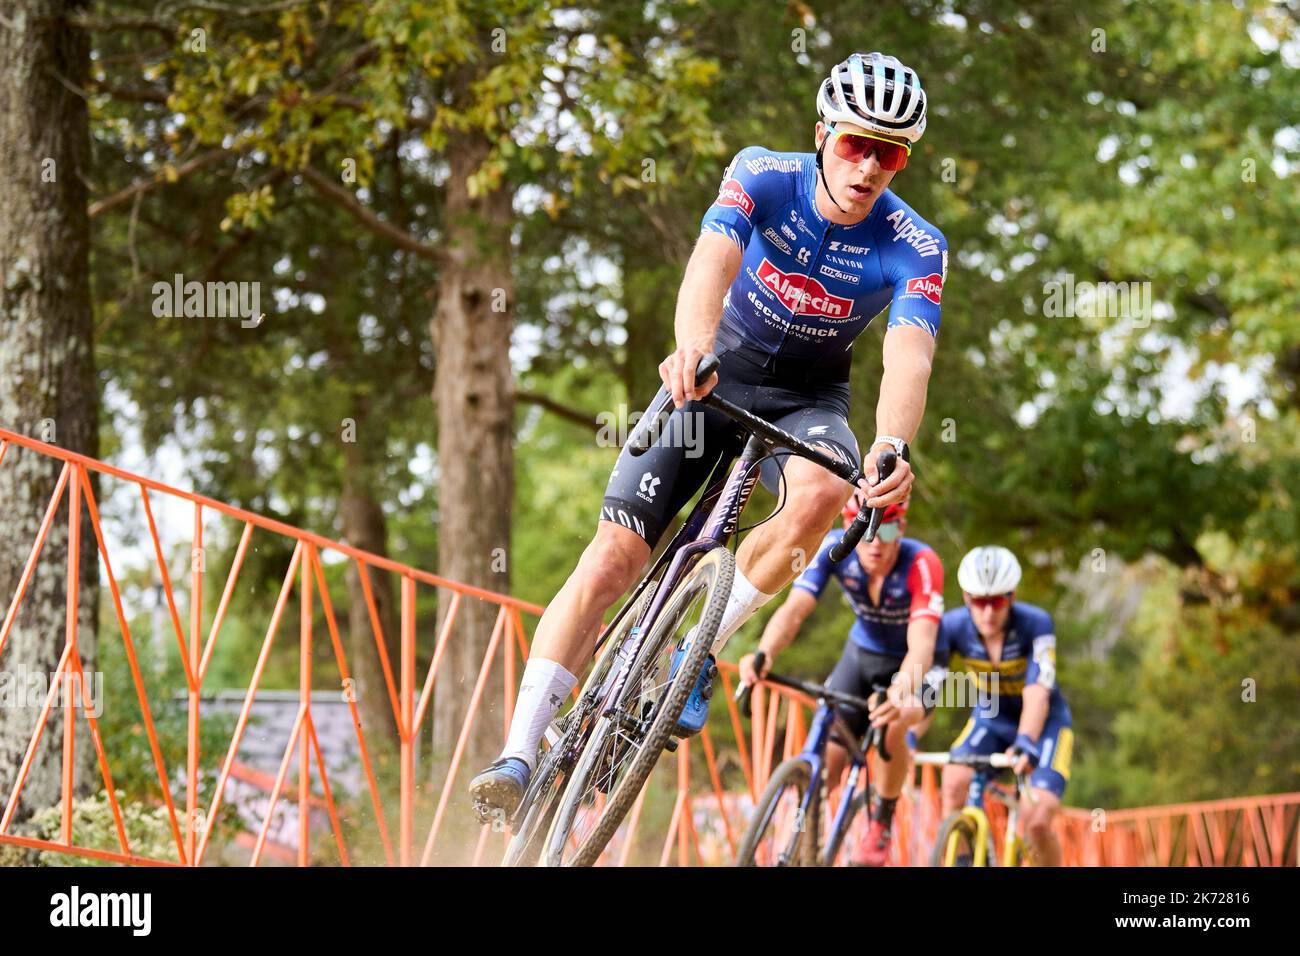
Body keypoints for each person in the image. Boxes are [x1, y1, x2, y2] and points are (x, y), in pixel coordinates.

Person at [471, 51, 948, 821]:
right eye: (856, 143)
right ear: (822, 134)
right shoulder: (763, 174)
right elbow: (711, 264)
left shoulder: (916, 243)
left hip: (808, 401)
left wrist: (892, 444)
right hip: (714, 373)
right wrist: (692, 345)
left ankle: (697, 651)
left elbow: (909, 354)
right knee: (613, 557)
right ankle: (519, 753)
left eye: (888, 154)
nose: (867, 167)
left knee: (831, 484)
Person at [739, 495, 944, 865]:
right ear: (851, 527)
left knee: (895, 722)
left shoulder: (922, 562)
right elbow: (795, 610)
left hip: (918, 665)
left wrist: (900, 691)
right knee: (828, 765)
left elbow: (923, 644)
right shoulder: (834, 547)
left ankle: (882, 819)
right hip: (862, 654)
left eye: (888, 530)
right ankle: (801, 847)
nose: (875, 543)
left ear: (902, 529)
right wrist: (765, 652)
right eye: (864, 531)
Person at [935, 546, 1074, 866]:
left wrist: (1026, 740)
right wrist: (909, 732)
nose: (988, 613)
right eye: (978, 602)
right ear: (966, 598)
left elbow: (1038, 691)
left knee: (1036, 822)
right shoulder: (952, 626)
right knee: (953, 780)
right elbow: (928, 683)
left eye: (997, 602)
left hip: (1045, 725)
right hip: (991, 719)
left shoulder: (1036, 623)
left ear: (1012, 597)